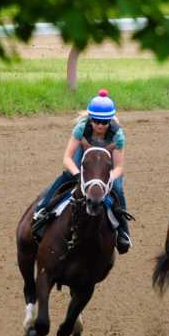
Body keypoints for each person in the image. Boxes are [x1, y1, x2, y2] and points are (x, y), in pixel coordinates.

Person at [33, 90, 131, 253]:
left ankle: (123, 232)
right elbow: (67, 158)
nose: (100, 125)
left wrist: (106, 180)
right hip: (85, 158)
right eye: (97, 121)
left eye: (105, 122)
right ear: (90, 119)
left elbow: (119, 167)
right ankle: (42, 210)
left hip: (107, 166)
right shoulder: (81, 129)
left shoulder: (118, 135)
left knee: (118, 189)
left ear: (110, 122)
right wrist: (79, 175)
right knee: (66, 177)